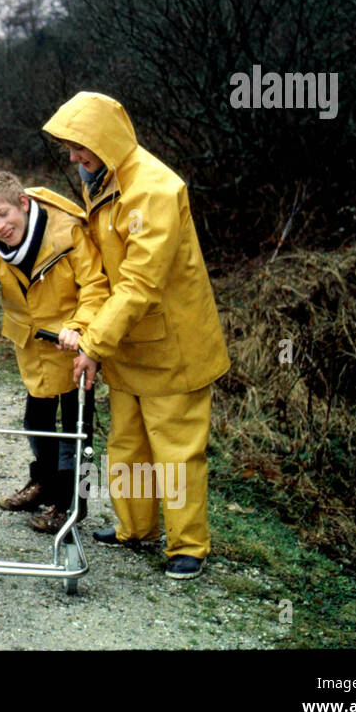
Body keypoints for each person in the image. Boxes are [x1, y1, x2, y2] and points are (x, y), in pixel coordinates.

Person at [44, 92, 229, 580]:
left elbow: (142, 281)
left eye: (79, 147)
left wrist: (93, 344)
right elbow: (106, 273)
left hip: (173, 345)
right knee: (127, 442)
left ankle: (188, 545)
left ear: (104, 140)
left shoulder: (156, 189)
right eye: (70, 148)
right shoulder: (104, 181)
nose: (73, 157)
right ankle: (136, 528)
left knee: (176, 448)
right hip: (127, 341)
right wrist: (97, 338)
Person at [0, 171, 109, 531]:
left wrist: (79, 327)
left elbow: (95, 285)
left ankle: (72, 503)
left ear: (23, 204)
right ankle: (43, 483)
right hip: (31, 342)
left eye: (3, 215)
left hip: (72, 343)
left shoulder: (67, 232)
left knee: (77, 430)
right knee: (37, 422)